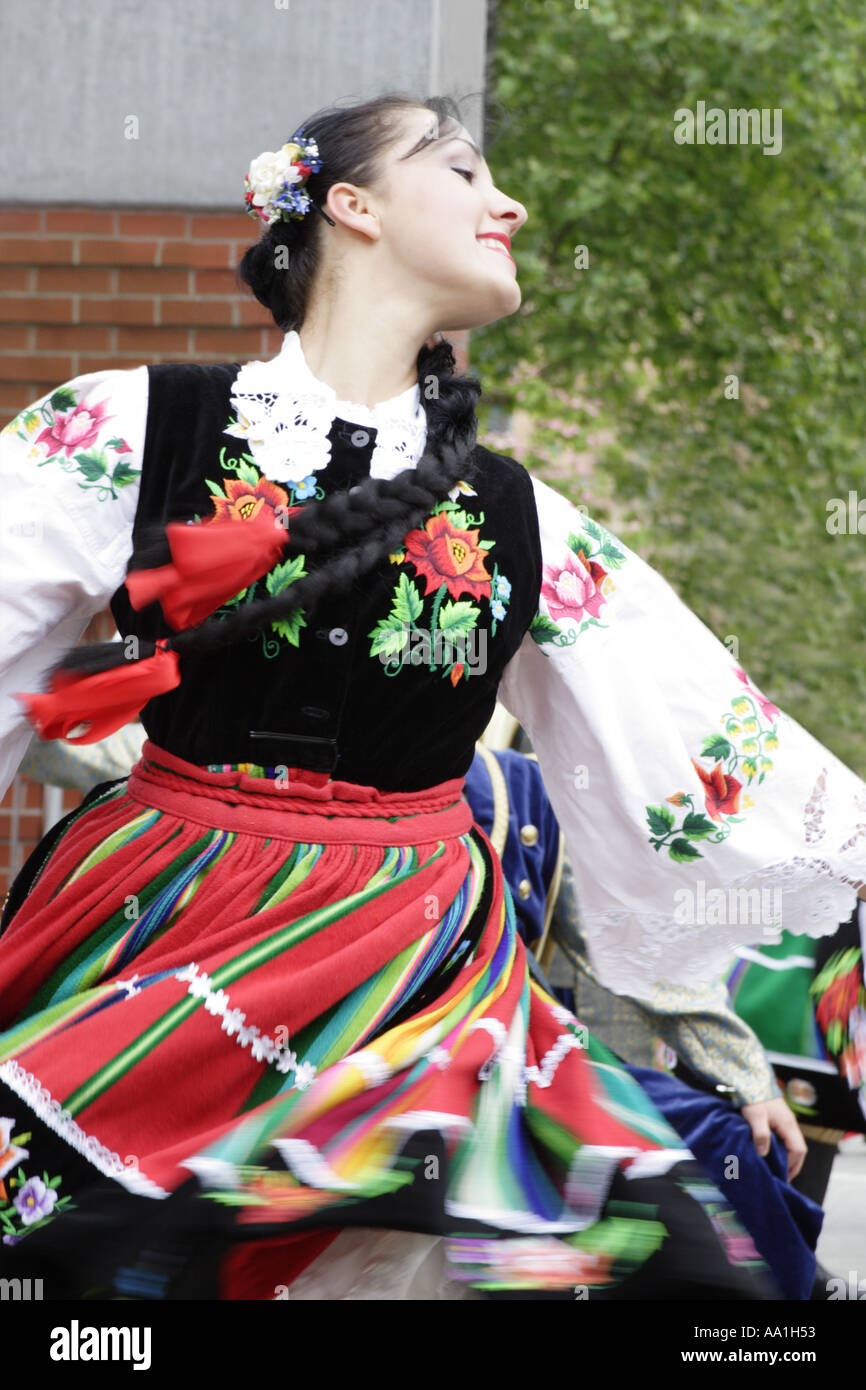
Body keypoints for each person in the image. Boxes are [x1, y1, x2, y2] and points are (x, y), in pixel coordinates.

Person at [1, 92, 864, 1300]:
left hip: (416, 964)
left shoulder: (518, 513)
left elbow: (708, 735)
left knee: (662, 1267)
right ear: (350, 205)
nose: (508, 204)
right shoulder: (135, 425)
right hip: (168, 914)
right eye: (461, 170)